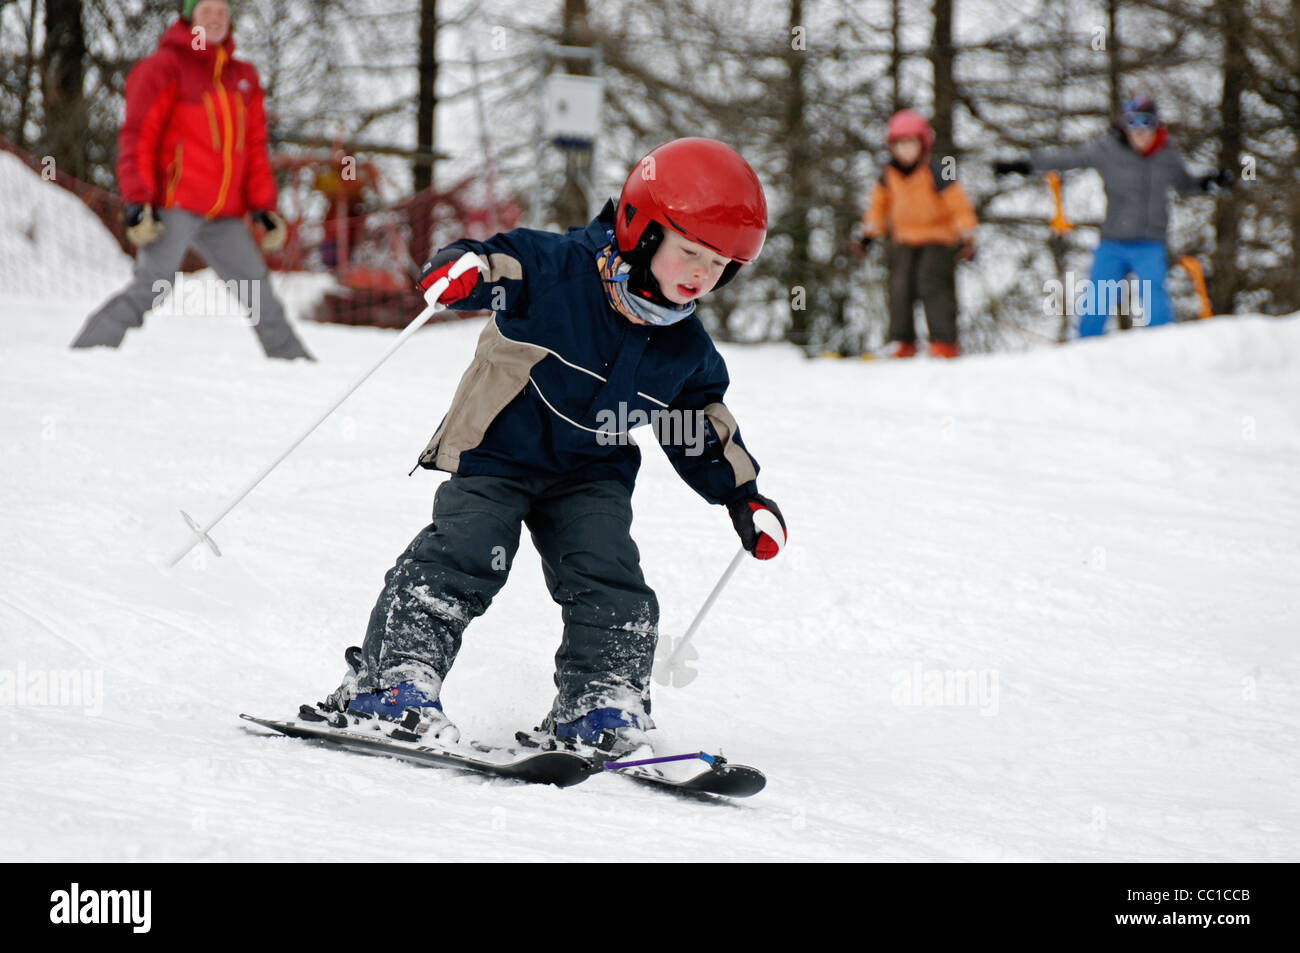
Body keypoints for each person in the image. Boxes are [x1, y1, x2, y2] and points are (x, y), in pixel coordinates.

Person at [302, 138, 787, 755]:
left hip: (591, 472)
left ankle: (600, 701)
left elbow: (700, 423)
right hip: (500, 448)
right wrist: (464, 269)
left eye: (718, 266)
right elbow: (502, 263)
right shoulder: (560, 270)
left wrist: (742, 497)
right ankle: (391, 681)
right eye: (689, 252)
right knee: (467, 553)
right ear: (640, 231)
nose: (700, 274)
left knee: (610, 578)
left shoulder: (683, 348)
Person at [70, 0, 312, 360]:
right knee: (152, 285)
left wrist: (263, 206)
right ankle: (86, 351)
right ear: (188, 17)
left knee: (256, 287)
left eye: (222, 12)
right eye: (206, 11)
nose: (215, 19)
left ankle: (296, 365)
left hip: (224, 212)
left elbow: (254, 147)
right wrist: (138, 202)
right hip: (176, 204)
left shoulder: (242, 77)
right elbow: (138, 137)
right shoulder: (163, 68)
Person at [994, 95, 1232, 337]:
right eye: (1133, 123)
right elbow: (1067, 158)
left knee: (1155, 302)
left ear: (1156, 124)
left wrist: (1209, 182)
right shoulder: (1108, 150)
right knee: (1096, 304)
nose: (1140, 131)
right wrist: (1022, 165)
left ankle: (1162, 355)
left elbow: (1185, 183)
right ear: (1124, 126)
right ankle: (1086, 353)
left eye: (1146, 123)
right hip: (1114, 243)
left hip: (1150, 244)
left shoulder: (1167, 155)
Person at [856, 109, 978, 359]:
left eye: (910, 143)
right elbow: (877, 208)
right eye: (899, 144)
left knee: (930, 282)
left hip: (938, 238)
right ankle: (902, 341)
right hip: (904, 239)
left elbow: (958, 204)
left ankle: (944, 341)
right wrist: (868, 235)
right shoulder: (888, 174)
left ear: (922, 144)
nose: (905, 150)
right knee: (899, 286)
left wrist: (968, 236)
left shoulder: (938, 169)